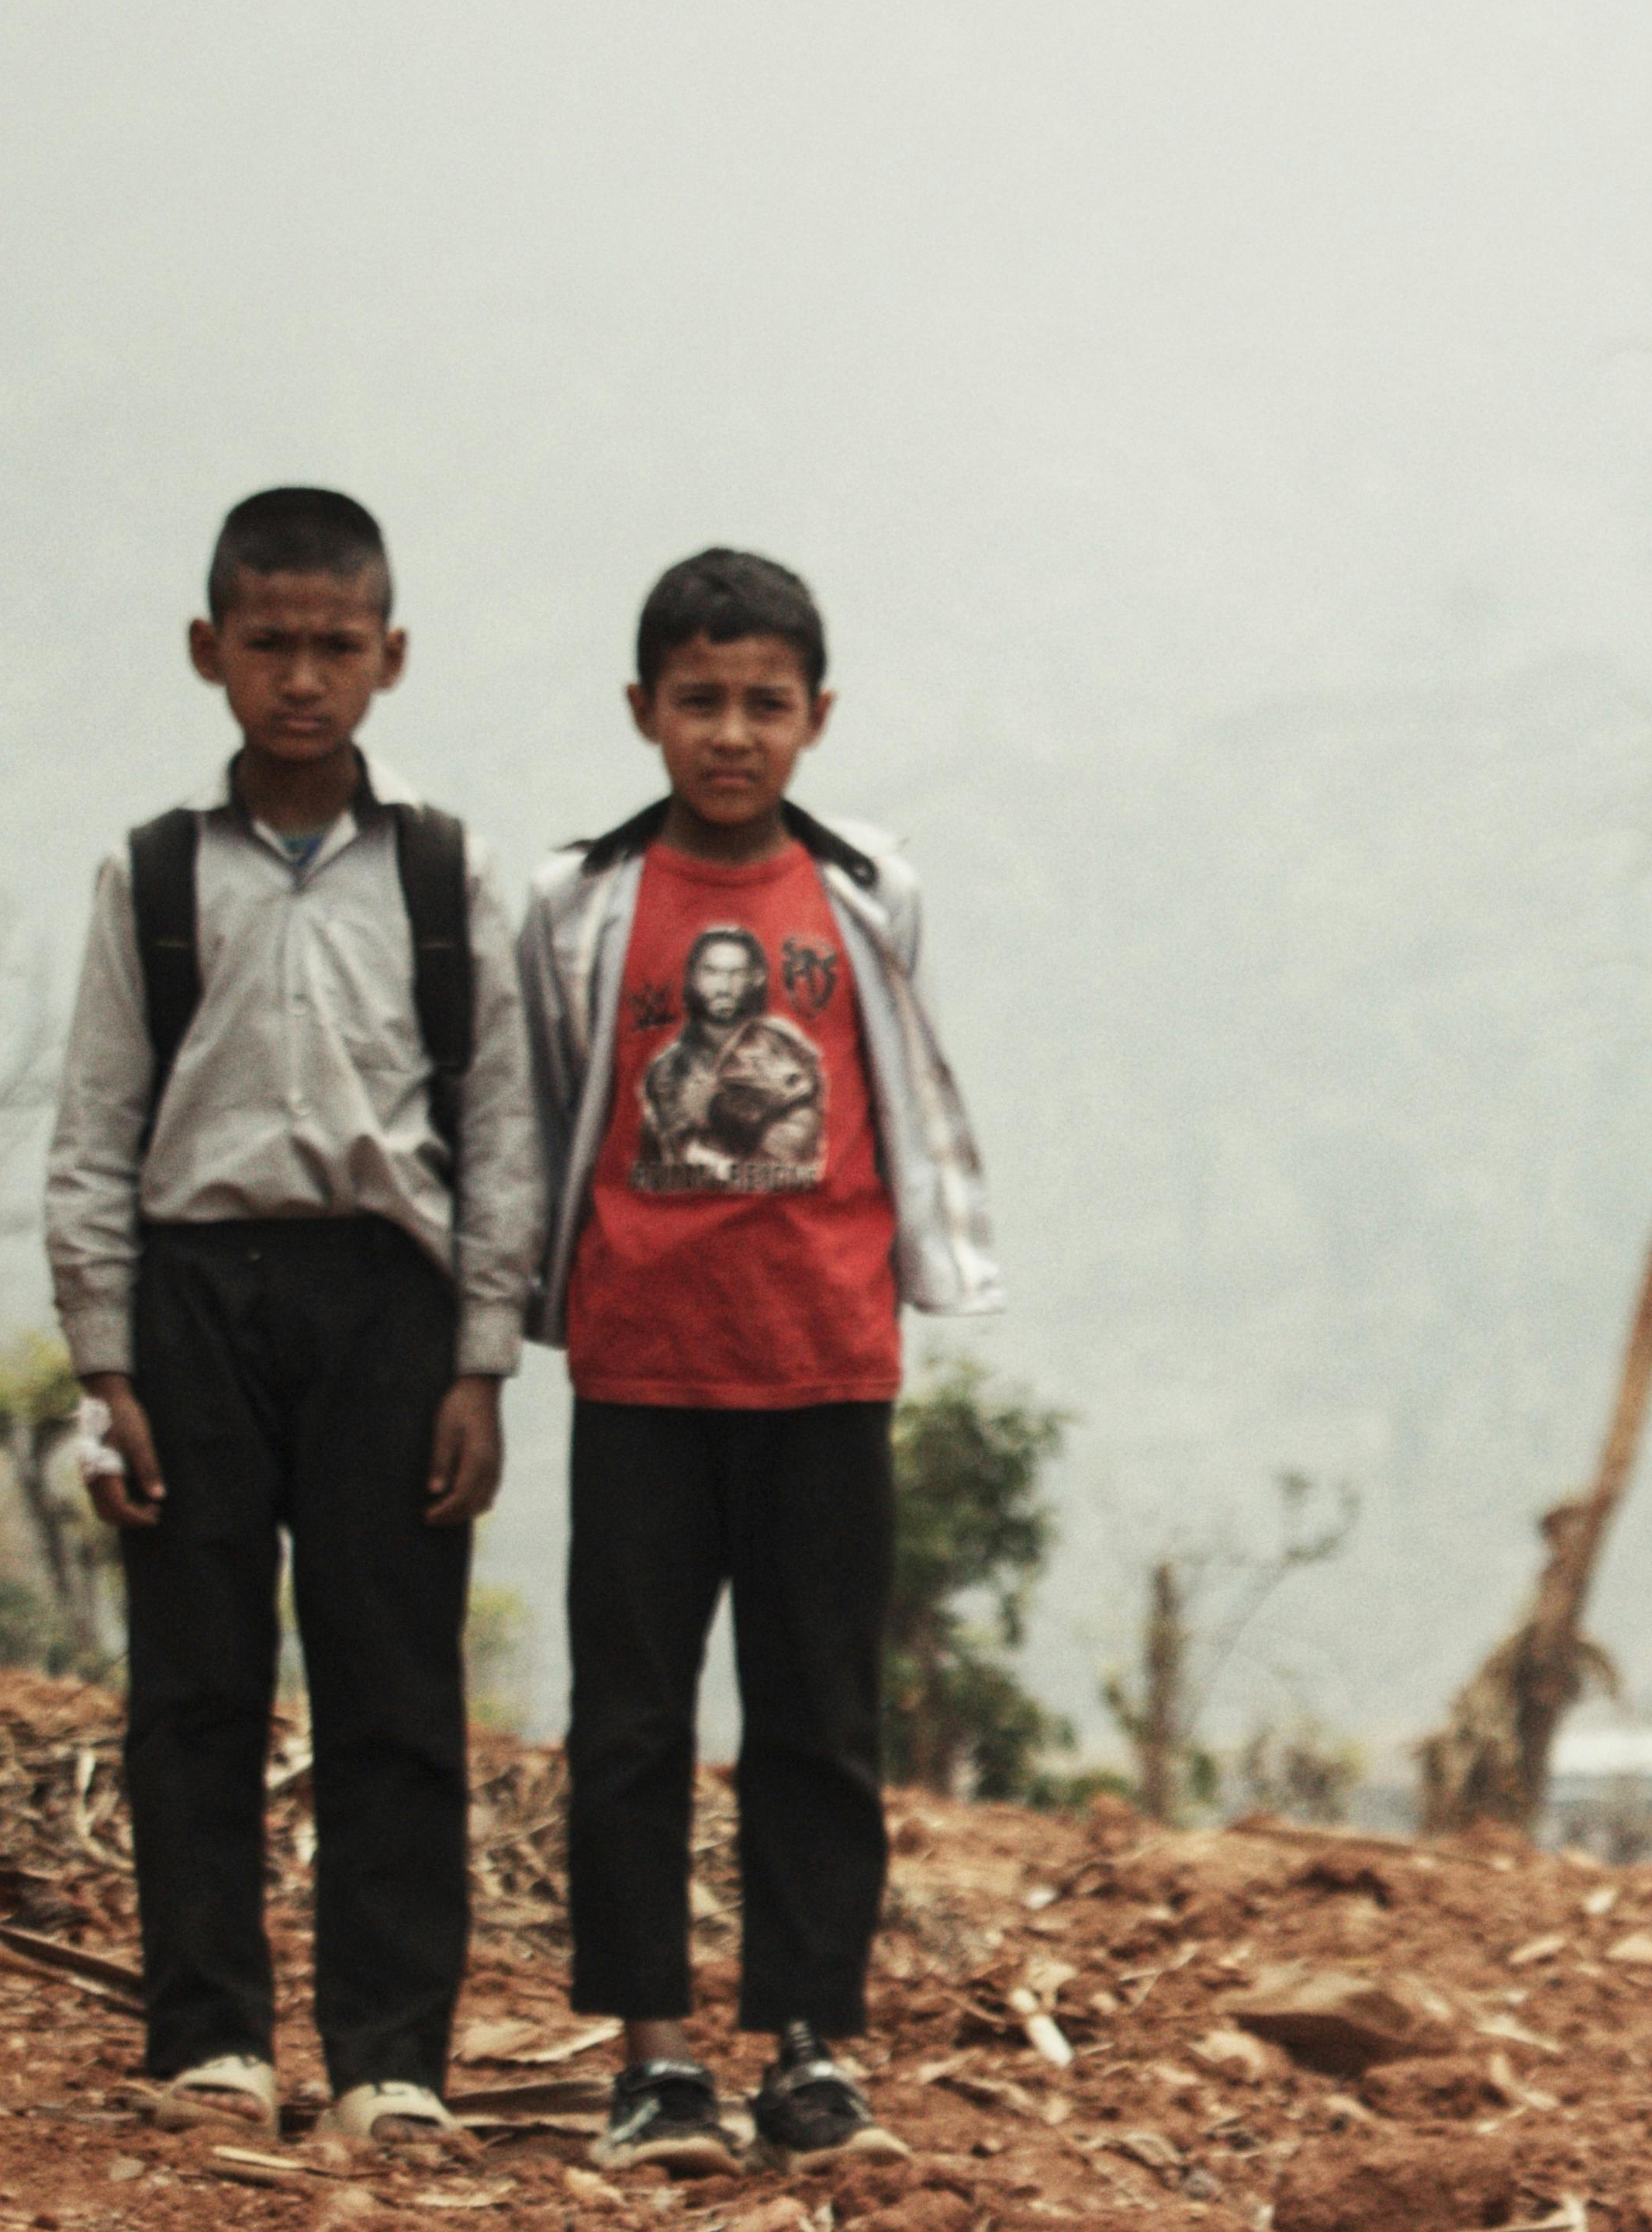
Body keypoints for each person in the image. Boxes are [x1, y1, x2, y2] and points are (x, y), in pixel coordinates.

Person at [43, 485, 541, 2151]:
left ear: (392, 656)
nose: (304, 679)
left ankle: (392, 2061)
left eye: (338, 645)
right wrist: (104, 1364)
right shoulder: (155, 876)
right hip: (192, 1298)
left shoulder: (448, 874)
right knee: (194, 1684)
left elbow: (499, 1136)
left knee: (393, 1686)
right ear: (210, 651)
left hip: (389, 1303)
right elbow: (94, 1128)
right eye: (271, 644)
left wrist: (482, 1362)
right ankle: (211, 2046)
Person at [516, 546, 1003, 2175]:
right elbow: (548, 1112)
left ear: (818, 716)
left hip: (827, 1370)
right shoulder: (583, 906)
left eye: (766, 703)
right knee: (631, 1724)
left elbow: (882, 1092)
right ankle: (654, 2057)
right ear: (643, 709)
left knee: (818, 1723)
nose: (733, 733)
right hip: (641, 1374)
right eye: (701, 699)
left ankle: (811, 2047)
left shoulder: (867, 893)